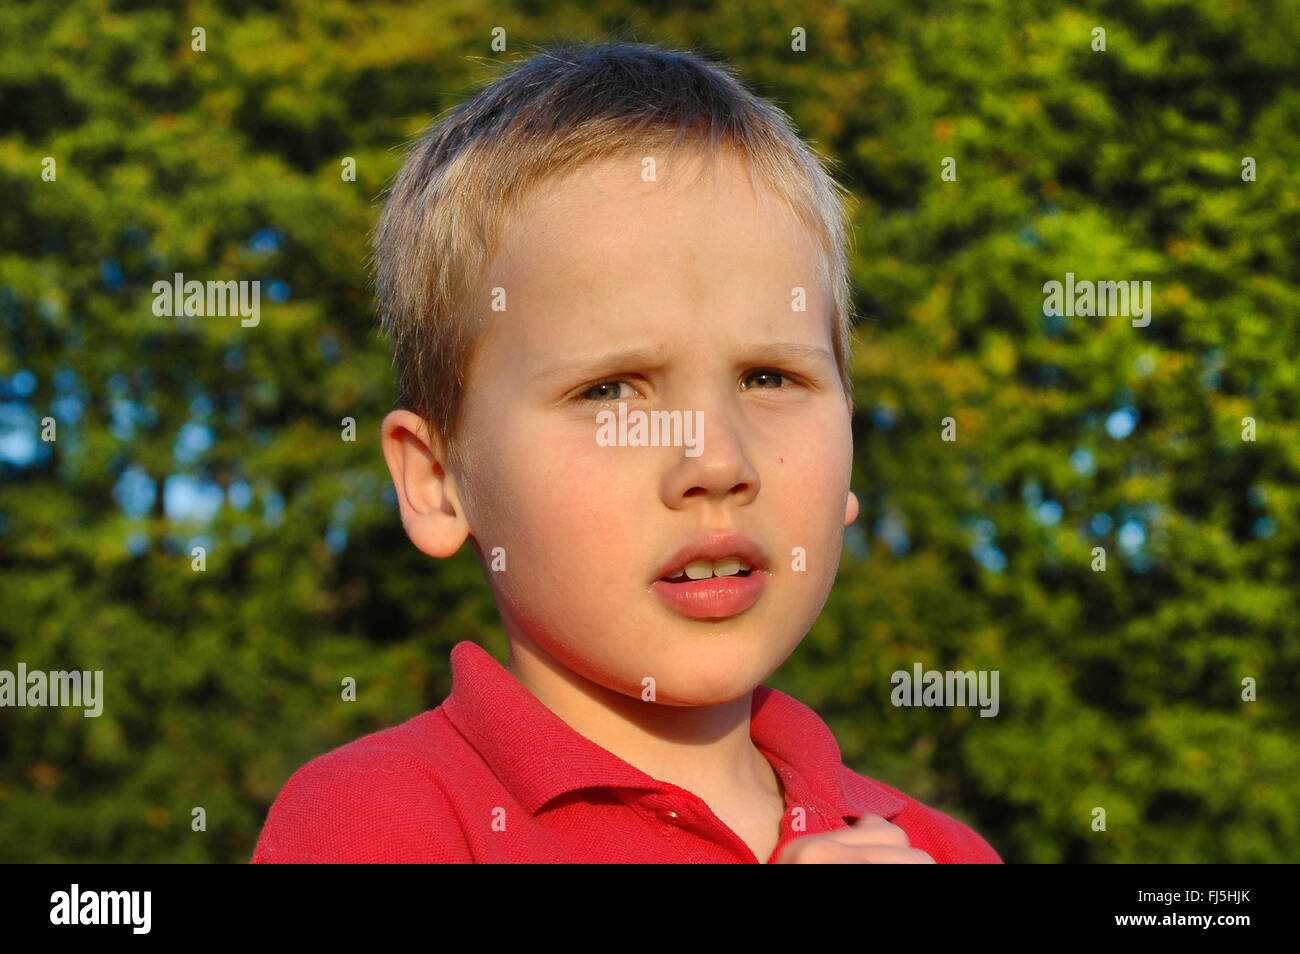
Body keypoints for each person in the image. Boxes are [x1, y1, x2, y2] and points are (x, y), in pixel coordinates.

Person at [252, 39, 1002, 864]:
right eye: (610, 392)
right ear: (437, 480)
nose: (717, 461)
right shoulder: (379, 816)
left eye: (769, 377)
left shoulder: (935, 848)